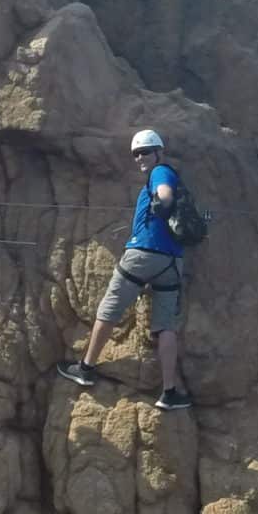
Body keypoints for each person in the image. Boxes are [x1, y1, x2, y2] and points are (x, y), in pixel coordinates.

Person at [56, 129, 192, 410]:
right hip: (171, 262)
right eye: (136, 154)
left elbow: (164, 195)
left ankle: (86, 368)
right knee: (166, 325)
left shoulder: (161, 171)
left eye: (145, 152)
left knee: (109, 308)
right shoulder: (163, 171)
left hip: (144, 253)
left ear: (159, 152)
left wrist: (160, 204)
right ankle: (169, 392)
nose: (140, 158)